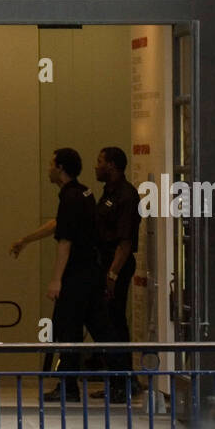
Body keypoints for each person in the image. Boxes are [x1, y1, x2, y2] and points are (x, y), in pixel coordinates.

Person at [10, 148, 111, 402]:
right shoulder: (83, 193)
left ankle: (69, 387)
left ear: (61, 168)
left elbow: (64, 243)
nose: (48, 168)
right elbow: (59, 223)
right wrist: (27, 239)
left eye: (51, 164)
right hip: (91, 273)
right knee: (98, 327)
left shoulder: (70, 197)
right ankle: (121, 381)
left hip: (76, 276)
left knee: (69, 330)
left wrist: (56, 280)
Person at [92, 146, 141, 401]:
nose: (96, 166)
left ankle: (123, 381)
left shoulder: (126, 195)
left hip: (116, 264)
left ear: (111, 165)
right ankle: (119, 379)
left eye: (100, 161)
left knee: (113, 323)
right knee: (109, 322)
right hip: (106, 262)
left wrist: (112, 275)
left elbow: (125, 243)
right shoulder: (108, 193)